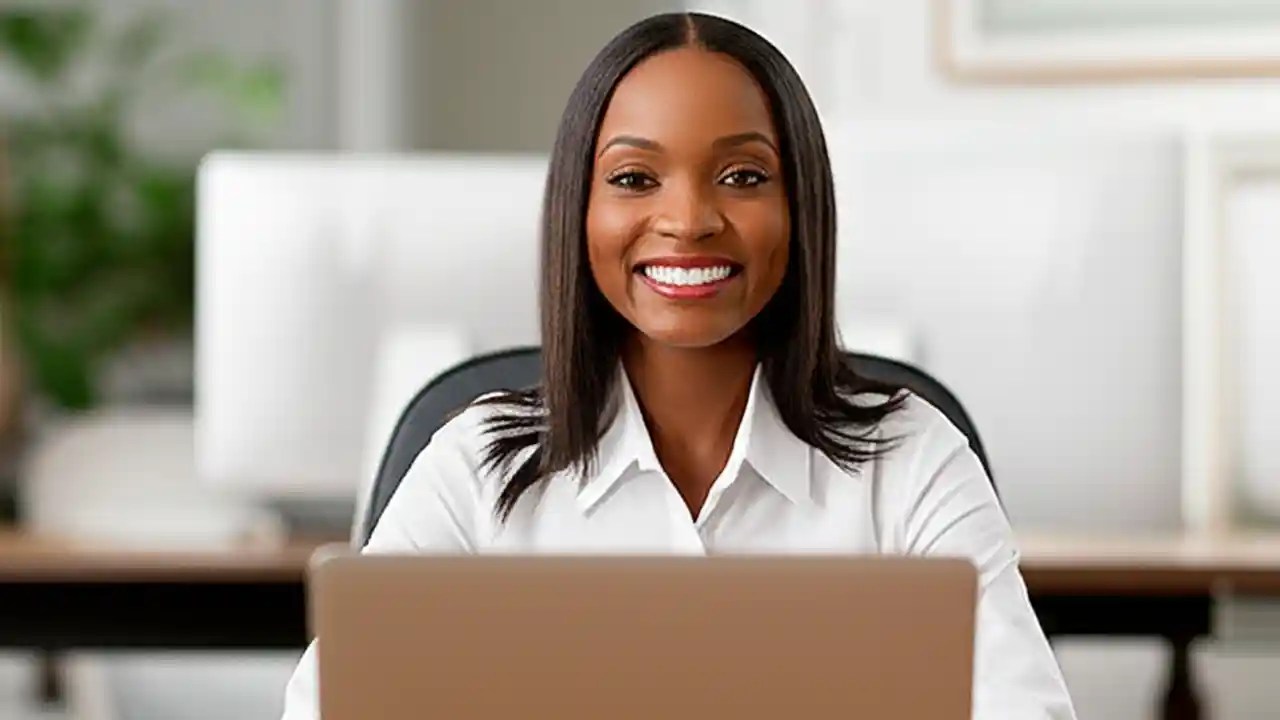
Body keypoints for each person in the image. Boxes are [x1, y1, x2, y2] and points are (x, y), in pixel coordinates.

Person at [282, 12, 1076, 719]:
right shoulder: (476, 468)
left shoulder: (910, 459)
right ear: (579, 209)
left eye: (742, 176)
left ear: (801, 207)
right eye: (634, 179)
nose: (689, 220)